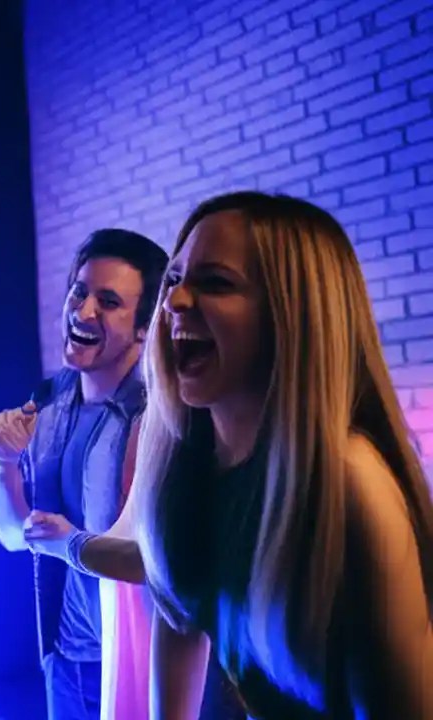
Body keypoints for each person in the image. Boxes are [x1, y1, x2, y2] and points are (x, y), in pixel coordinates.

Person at [44, 192, 433, 718]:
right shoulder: (183, 468)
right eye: (175, 281)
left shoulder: (349, 480)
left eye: (217, 283)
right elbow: (175, 623)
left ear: (293, 316)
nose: (175, 303)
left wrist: (68, 545)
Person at [0, 229, 167, 720]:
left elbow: (152, 559)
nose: (84, 312)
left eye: (108, 302)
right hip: (68, 659)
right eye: (79, 291)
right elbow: (13, 535)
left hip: (141, 659)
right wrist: (2, 462)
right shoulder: (52, 398)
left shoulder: (160, 415)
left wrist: (70, 541)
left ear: (143, 327)